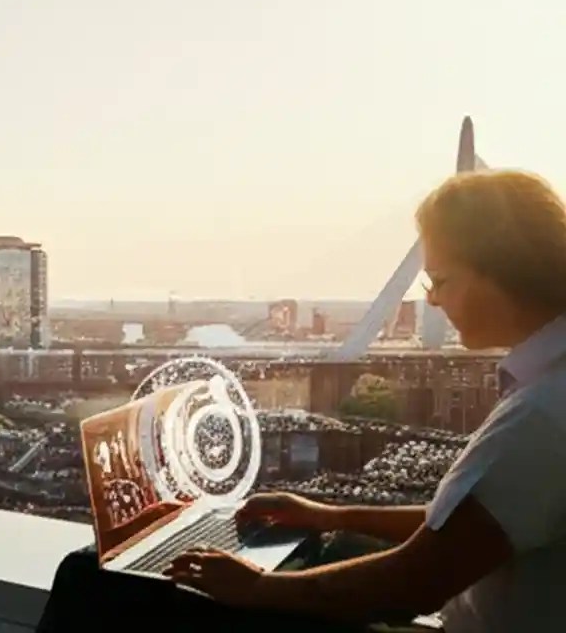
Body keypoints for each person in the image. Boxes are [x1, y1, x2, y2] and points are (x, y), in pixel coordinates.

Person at [165, 169, 566, 631]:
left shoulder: (542, 413)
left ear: (502, 268)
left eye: (439, 279)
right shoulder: (550, 388)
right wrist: (331, 516)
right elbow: (475, 526)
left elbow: (412, 584)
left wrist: (255, 589)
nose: (432, 301)